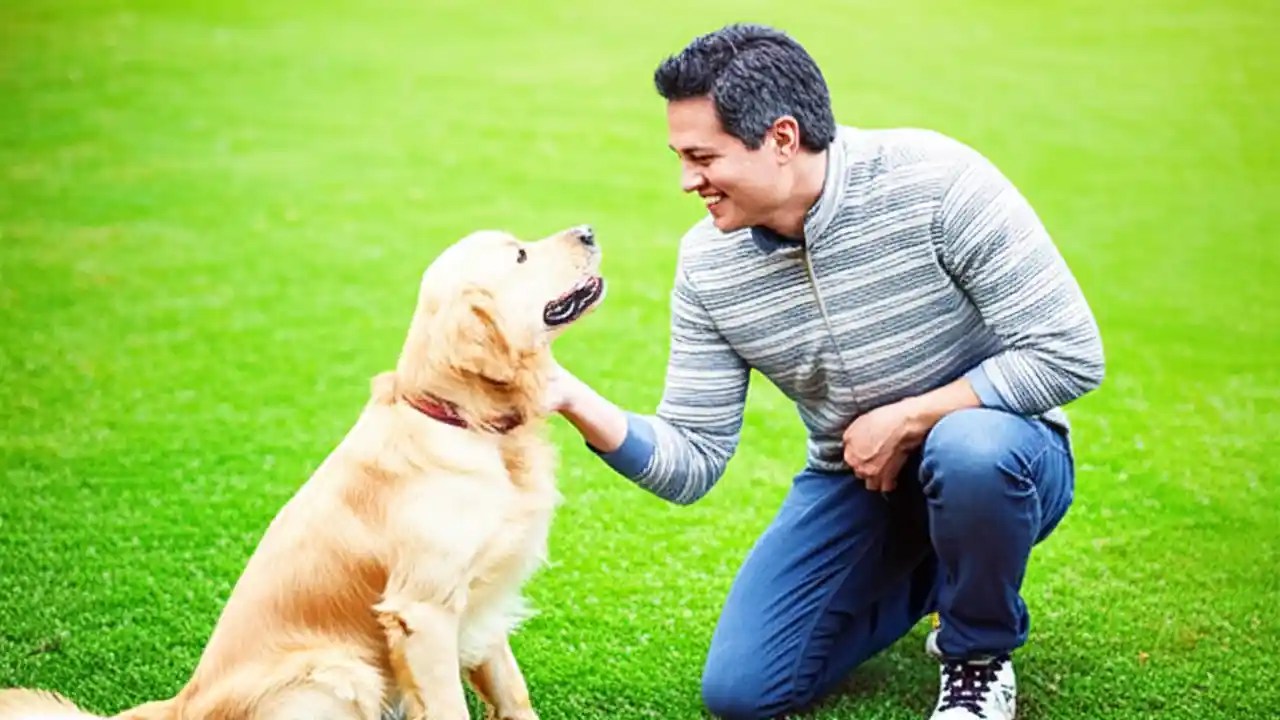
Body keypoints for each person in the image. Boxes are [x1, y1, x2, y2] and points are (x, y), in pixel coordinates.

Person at [546, 22, 1104, 720]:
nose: (687, 181)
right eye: (680, 157)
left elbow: (1069, 350)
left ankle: (977, 655)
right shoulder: (708, 266)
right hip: (858, 483)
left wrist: (910, 418)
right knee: (741, 694)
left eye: (702, 157)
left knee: (969, 454)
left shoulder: (937, 182)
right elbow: (692, 458)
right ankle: (949, 567)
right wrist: (566, 395)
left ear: (782, 139)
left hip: (1004, 458)